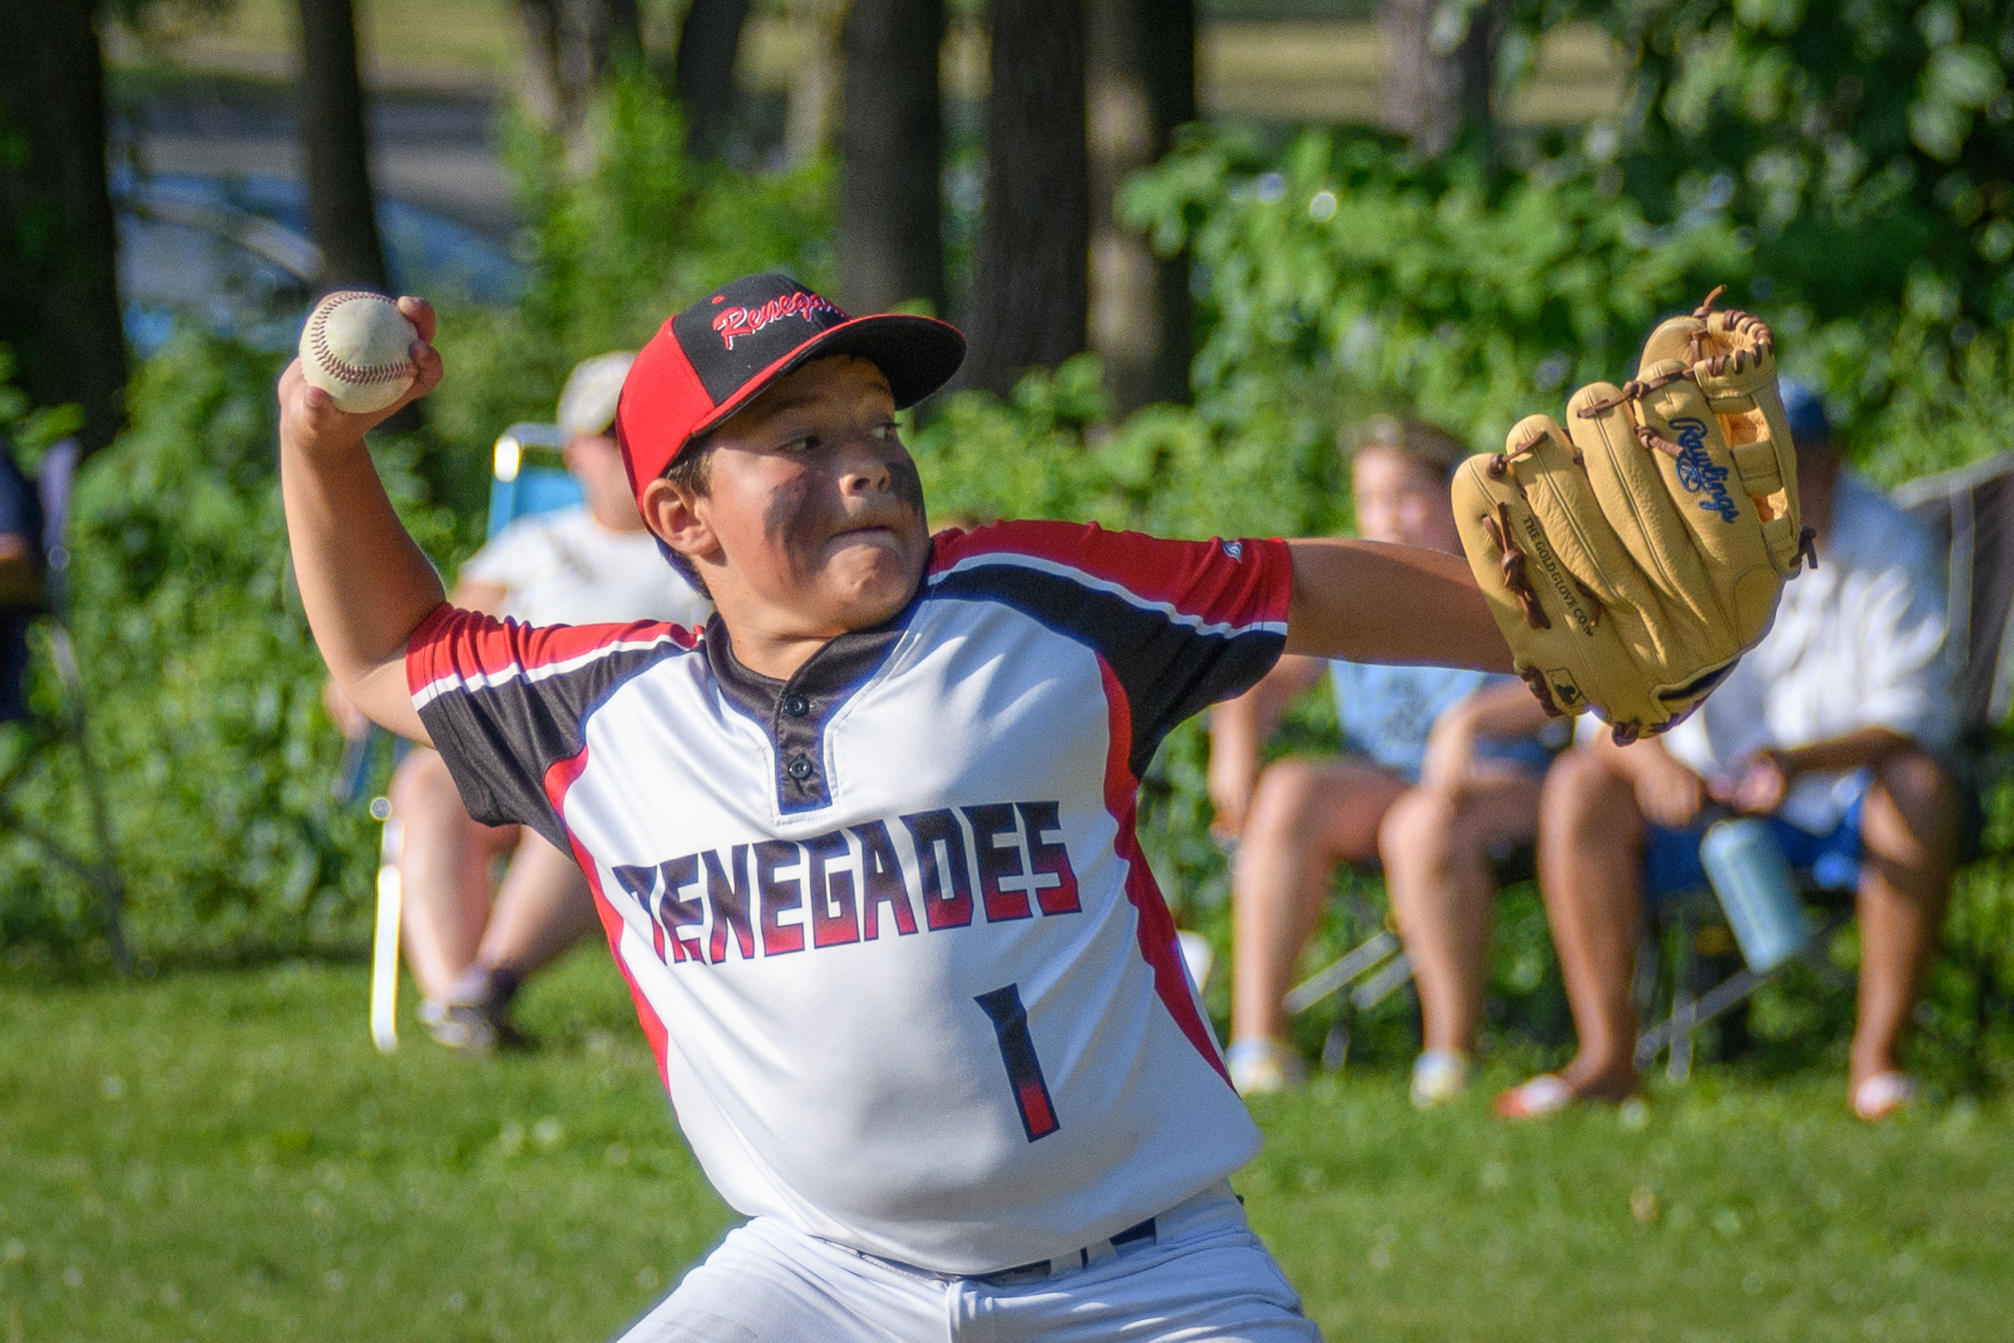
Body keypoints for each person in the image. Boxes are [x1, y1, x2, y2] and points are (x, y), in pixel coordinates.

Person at [280, 273, 1514, 1341]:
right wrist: (324, 447)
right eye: (800, 441)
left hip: (1146, 1276)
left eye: (875, 424)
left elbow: (1301, 589)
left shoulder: (1028, 608)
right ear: (679, 513)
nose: (865, 457)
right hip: (820, 1275)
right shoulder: (610, 712)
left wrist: (1554, 619)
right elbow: (385, 652)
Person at [1496, 383, 1958, 1123]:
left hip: (1838, 797)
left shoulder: (1891, 541)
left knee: (1924, 783)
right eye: (1750, 462)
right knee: (1580, 784)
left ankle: (1878, 1062)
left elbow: (1915, 712)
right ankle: (1607, 1057)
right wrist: (1651, 764)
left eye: (1786, 462)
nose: (1769, 483)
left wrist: (1794, 764)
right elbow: (1610, 698)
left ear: (1830, 462)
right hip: (1694, 800)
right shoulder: (1674, 537)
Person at [342, 352, 713, 1050]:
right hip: (508, 741)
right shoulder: (533, 545)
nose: (628, 452)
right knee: (426, 780)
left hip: (632, 758)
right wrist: (359, 676)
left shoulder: (701, 546)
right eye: (611, 436)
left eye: (644, 430)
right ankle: (461, 1002)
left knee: (581, 783)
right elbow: (420, 649)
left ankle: (487, 987)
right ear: (575, 451)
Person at [1210, 418, 1557, 1106]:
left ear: (1455, 497)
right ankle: (1258, 1044)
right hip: (1389, 779)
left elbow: (1571, 684)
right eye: (1370, 499)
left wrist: (1470, 719)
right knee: (1287, 792)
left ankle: (1451, 1053)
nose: (1386, 517)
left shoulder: (1507, 572)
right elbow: (1268, 674)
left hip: (1501, 778)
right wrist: (1236, 737)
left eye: (1406, 497)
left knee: (1422, 824)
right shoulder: (1361, 582)